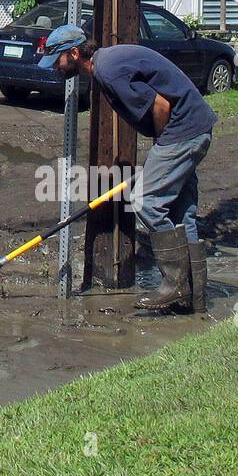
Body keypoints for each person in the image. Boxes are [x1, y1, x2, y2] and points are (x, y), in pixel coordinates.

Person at [40, 23, 216, 313]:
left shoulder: (108, 70)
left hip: (183, 131)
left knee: (146, 201)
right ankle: (195, 303)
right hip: (196, 127)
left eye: (57, 59)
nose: (55, 67)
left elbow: (160, 106)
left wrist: (163, 149)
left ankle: (175, 285)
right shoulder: (108, 62)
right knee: (182, 211)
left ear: (74, 53)